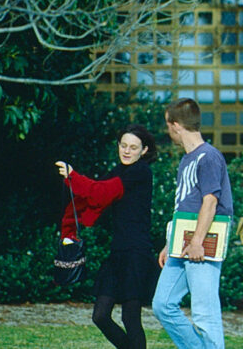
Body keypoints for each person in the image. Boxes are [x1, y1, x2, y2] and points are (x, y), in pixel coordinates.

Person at [55, 124, 160, 349]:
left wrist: (74, 176)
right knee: (100, 316)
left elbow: (100, 193)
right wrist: (69, 232)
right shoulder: (119, 170)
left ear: (144, 151)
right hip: (118, 253)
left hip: (136, 253)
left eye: (133, 147)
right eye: (123, 145)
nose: (127, 151)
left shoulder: (140, 172)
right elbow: (92, 197)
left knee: (130, 319)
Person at [154, 98, 235, 349]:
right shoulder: (187, 159)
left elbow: (210, 202)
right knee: (162, 304)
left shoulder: (208, 157)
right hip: (182, 243)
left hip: (201, 243)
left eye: (168, 125)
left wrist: (197, 241)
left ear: (176, 125)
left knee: (204, 314)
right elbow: (184, 206)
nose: (168, 131)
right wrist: (171, 244)